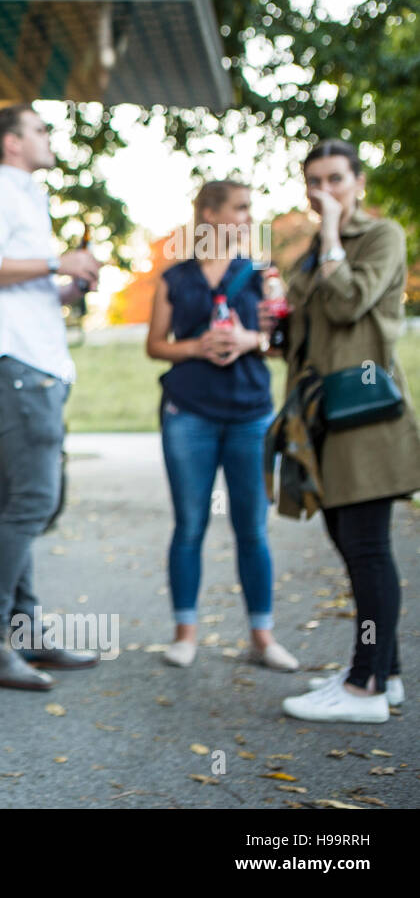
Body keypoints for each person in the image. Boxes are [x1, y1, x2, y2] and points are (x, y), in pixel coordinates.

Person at [0, 103, 103, 691]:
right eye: (40, 129)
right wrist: (55, 260)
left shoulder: (27, 200)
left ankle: (23, 631)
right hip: (20, 368)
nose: (49, 137)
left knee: (20, 503)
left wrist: (63, 289)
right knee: (33, 503)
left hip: (33, 365)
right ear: (12, 143)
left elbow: (14, 285)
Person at [277, 140, 418, 724]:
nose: (323, 192)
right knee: (353, 546)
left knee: (365, 549)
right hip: (323, 416)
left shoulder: (381, 238)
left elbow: (351, 303)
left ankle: (362, 687)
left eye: (335, 179)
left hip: (367, 415)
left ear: (358, 182)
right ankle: (383, 673)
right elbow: (309, 330)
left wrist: (332, 236)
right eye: (314, 182)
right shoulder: (309, 252)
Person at [145, 180, 297, 671]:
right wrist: (198, 346)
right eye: (241, 208)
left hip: (250, 413)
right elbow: (155, 345)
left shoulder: (262, 275)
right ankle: (185, 634)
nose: (250, 217)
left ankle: (262, 636)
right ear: (210, 214)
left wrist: (248, 340)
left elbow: (280, 343)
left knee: (252, 527)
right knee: (189, 524)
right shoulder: (175, 278)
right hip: (188, 413)